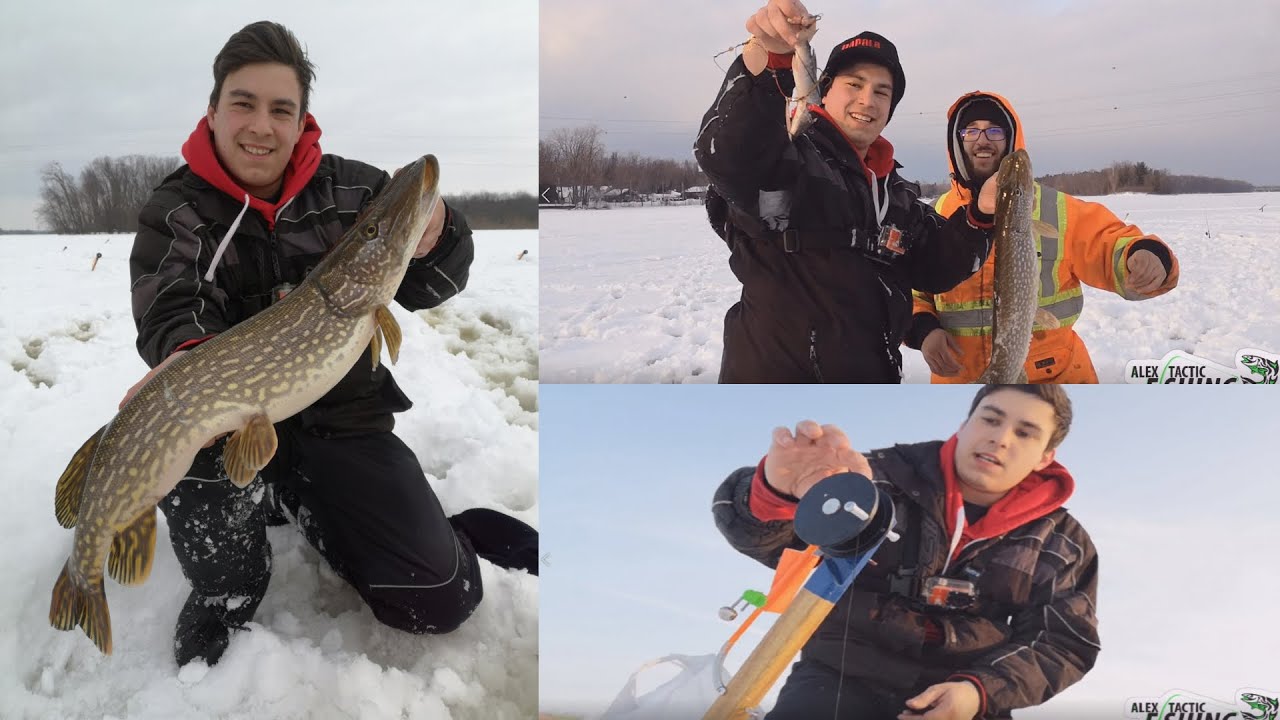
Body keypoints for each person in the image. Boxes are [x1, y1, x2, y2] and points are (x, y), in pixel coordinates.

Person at [125, 21, 537, 667]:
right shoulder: (176, 209)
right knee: (186, 441)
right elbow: (170, 302)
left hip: (340, 420)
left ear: (300, 120)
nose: (261, 125)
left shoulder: (354, 190)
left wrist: (439, 231)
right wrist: (186, 358)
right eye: (244, 103)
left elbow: (431, 286)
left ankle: (433, 529)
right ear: (213, 110)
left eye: (280, 109)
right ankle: (226, 593)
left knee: (437, 600)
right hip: (232, 421)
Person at [712, 385, 1099, 719]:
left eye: (1026, 432)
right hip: (839, 677)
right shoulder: (878, 479)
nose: (1001, 438)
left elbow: (1062, 642)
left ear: (1047, 455)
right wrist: (775, 495)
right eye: (991, 419)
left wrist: (977, 692)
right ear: (965, 424)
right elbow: (775, 547)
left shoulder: (1062, 542)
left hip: (968, 698)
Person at [693, 0, 999, 384]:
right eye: (854, 84)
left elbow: (939, 265)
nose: (867, 100)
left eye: (882, 92)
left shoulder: (895, 193)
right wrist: (767, 58)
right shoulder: (792, 159)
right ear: (824, 89)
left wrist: (981, 213)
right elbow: (733, 155)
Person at [907, 91, 1181, 383]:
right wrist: (923, 330)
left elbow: (1110, 243)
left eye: (994, 130)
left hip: (1053, 379)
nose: (982, 139)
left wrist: (1147, 255)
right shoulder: (935, 214)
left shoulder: (1056, 209)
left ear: (1011, 138)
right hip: (961, 380)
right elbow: (911, 289)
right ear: (957, 141)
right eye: (971, 130)